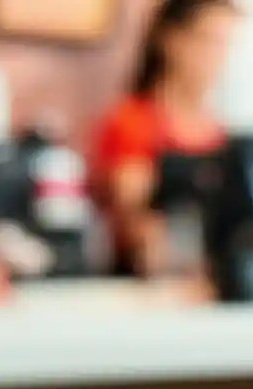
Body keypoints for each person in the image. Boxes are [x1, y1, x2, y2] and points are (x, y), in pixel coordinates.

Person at [92, 0, 239, 277]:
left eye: (225, 44)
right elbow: (132, 212)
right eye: (207, 41)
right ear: (170, 40)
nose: (217, 57)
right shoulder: (132, 121)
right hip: (151, 283)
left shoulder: (221, 132)